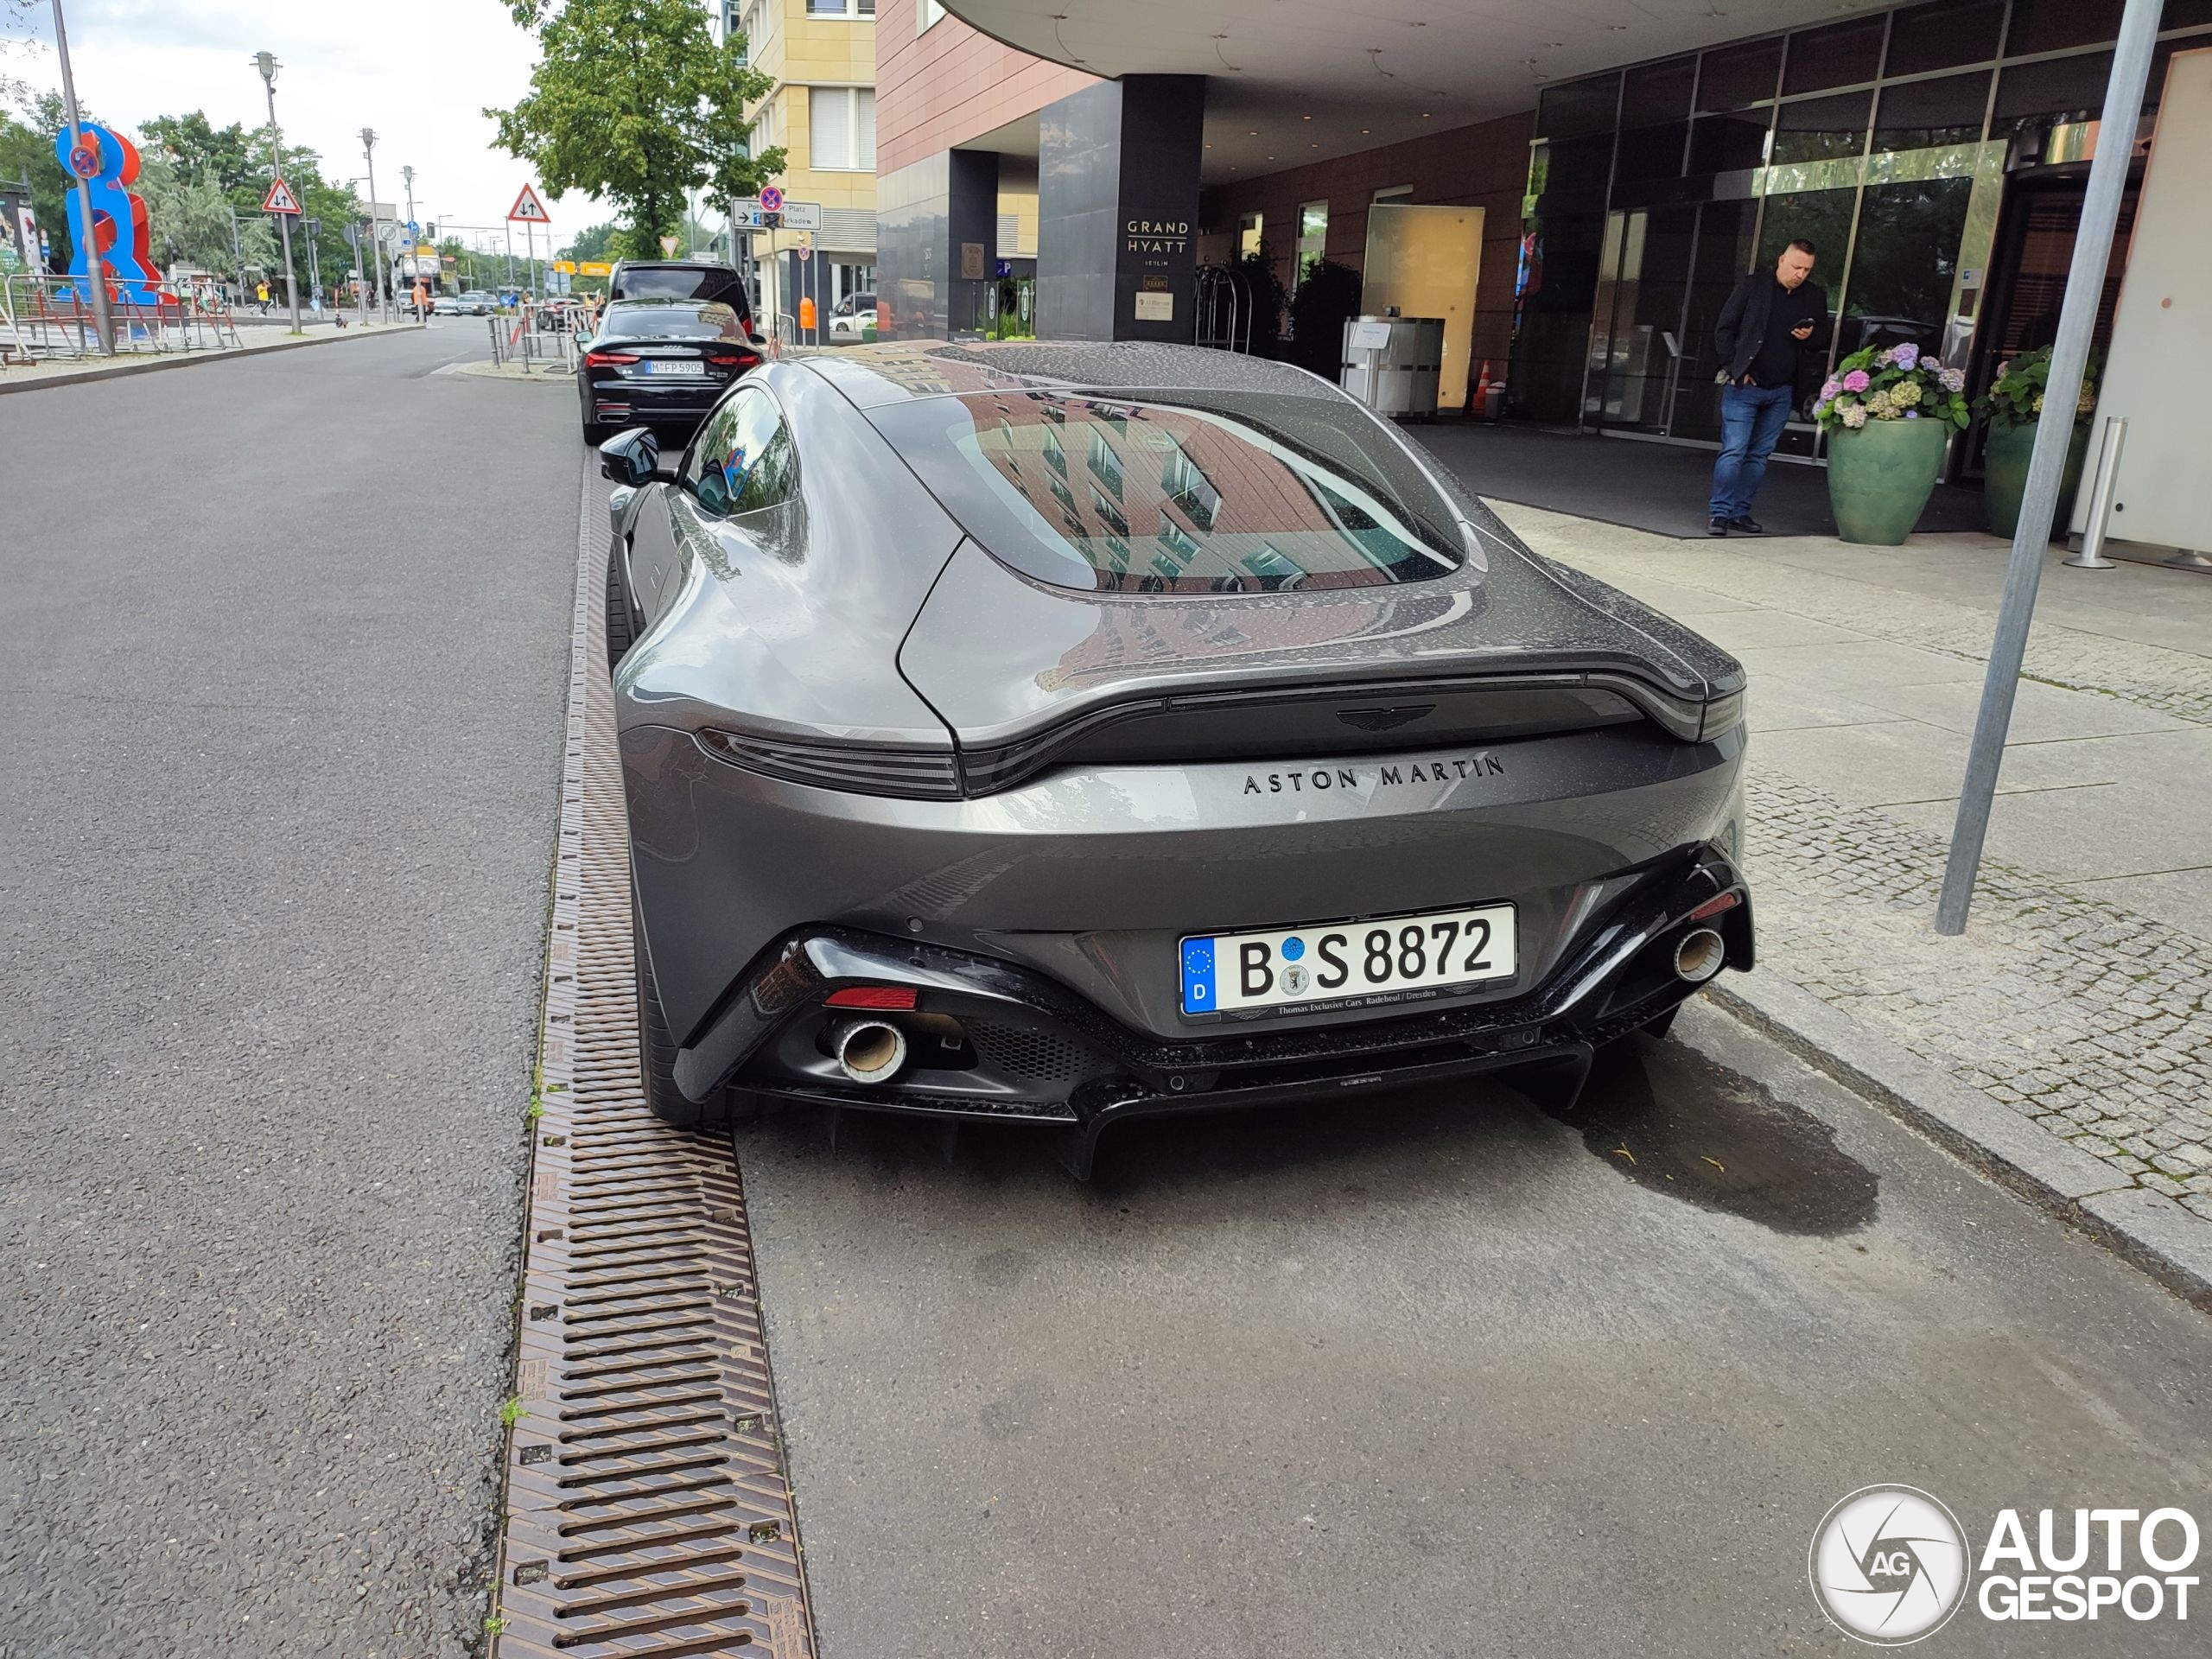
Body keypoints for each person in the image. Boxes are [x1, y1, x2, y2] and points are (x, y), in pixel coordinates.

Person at [1707, 238, 1828, 537]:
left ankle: (1740, 512)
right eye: (1797, 266)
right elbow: (1724, 329)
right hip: (1745, 385)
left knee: (1759, 455)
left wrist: (1808, 337)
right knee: (1734, 450)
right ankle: (1719, 514)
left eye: (1807, 269)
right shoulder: (1753, 286)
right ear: (1782, 260)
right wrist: (1735, 367)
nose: (1800, 274)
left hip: (1783, 388)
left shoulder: (1814, 296)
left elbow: (1820, 342)